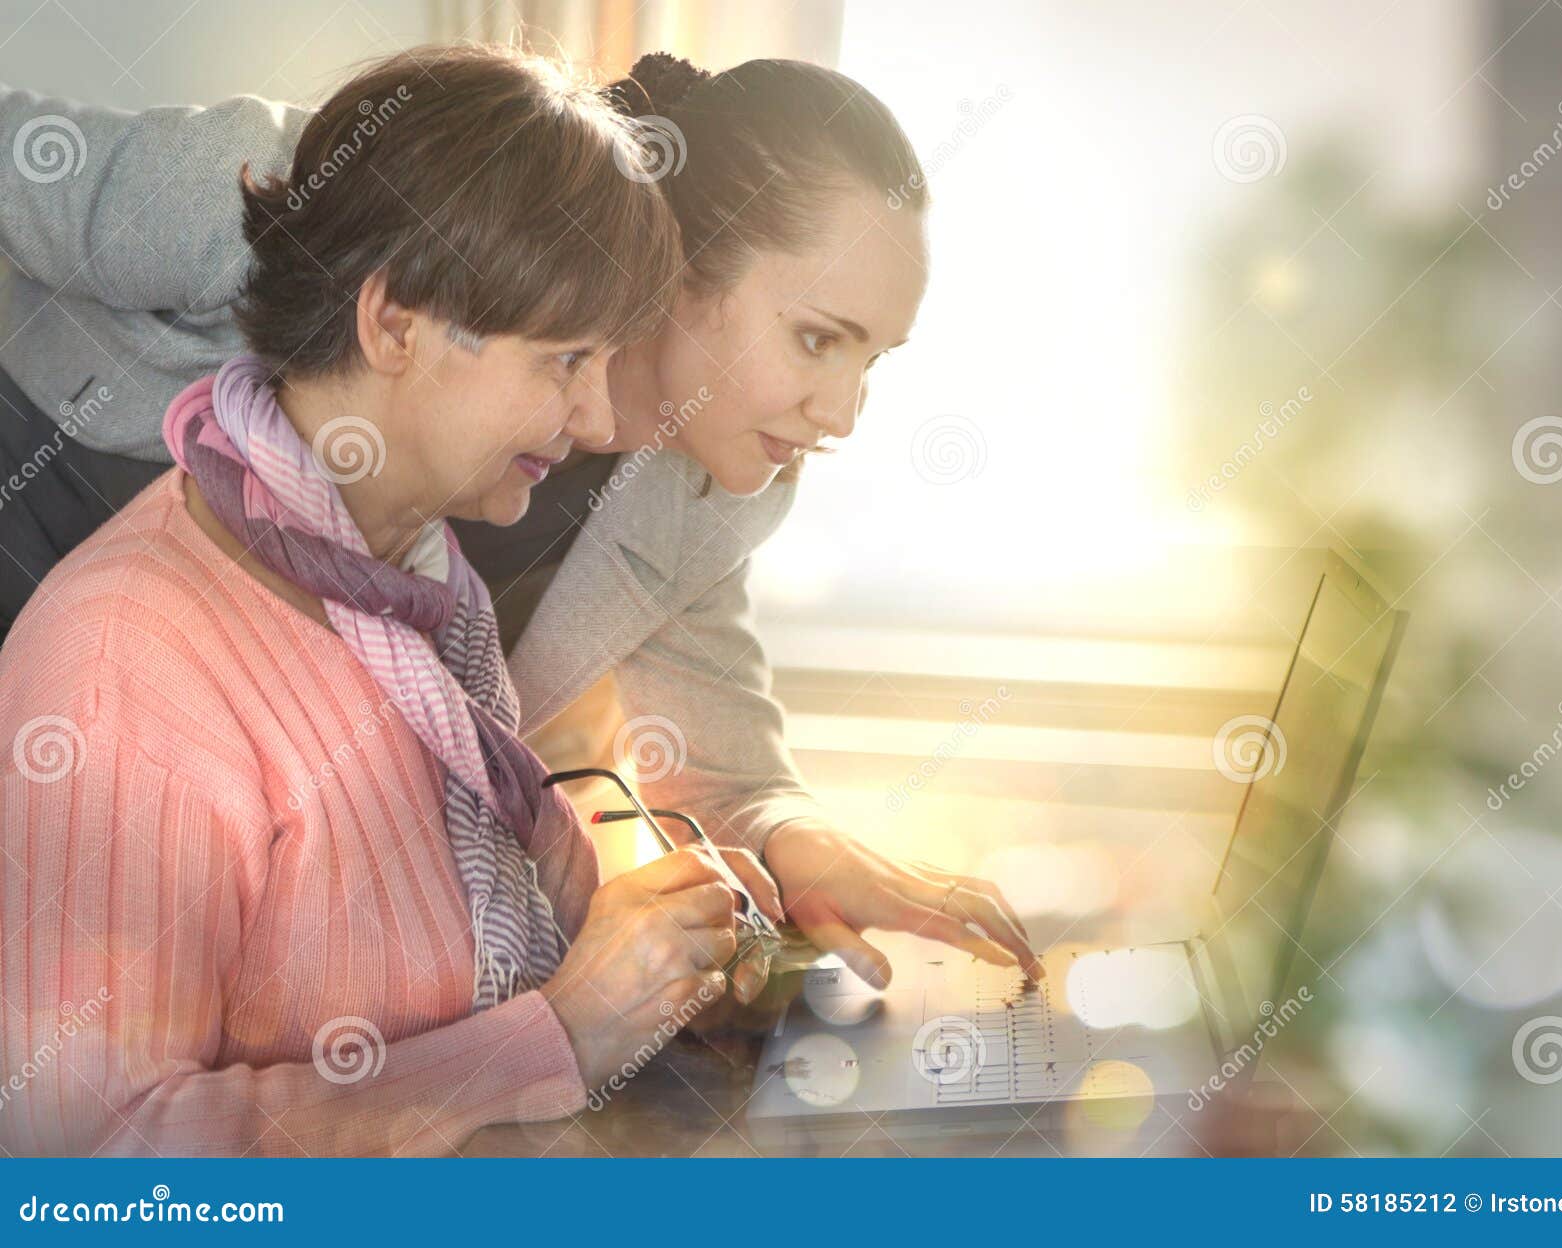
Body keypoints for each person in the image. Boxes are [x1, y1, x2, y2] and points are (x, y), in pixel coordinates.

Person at [0, 46, 1041, 1007]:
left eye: (874, 361)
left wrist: (799, 841)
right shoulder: (348, 193)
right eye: (818, 339)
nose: (844, 414)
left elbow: (722, 763)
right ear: (682, 273)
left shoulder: (717, 480)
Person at [0, 43, 779, 1158]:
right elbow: (88, 1173)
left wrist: (647, 927)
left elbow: (446, 947)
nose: (603, 423)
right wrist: (557, 1033)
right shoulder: (120, 662)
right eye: (566, 360)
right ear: (395, 322)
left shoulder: (417, 581)